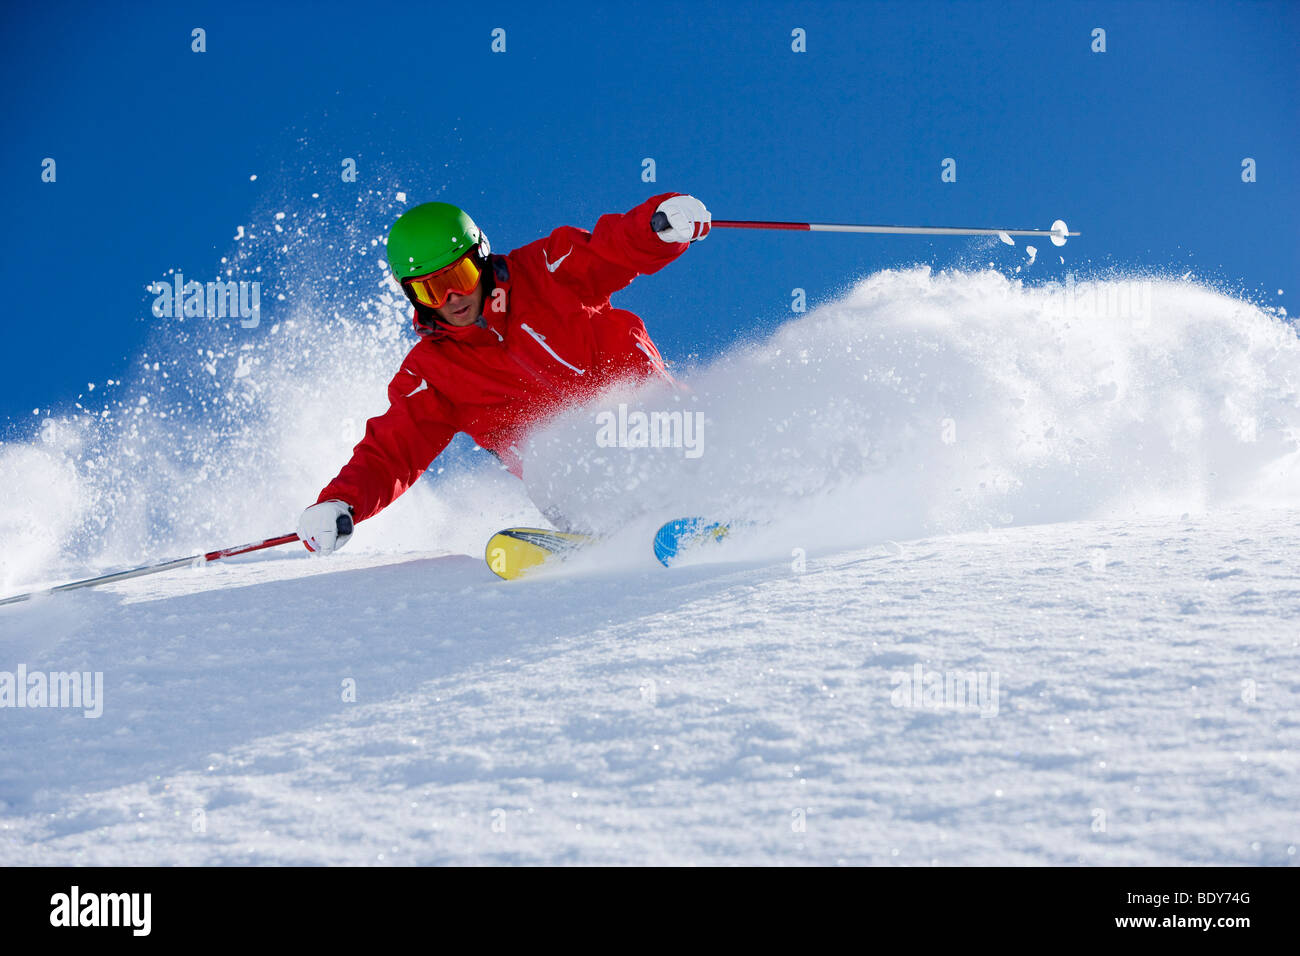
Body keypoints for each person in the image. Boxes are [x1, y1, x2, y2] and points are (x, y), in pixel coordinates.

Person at [296, 192, 712, 554]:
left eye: (458, 277)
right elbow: (391, 451)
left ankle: (706, 487)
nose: (452, 298)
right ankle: (604, 531)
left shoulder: (547, 269)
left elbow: (610, 249)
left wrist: (657, 227)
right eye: (431, 290)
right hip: (577, 480)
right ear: (414, 295)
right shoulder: (432, 373)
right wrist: (342, 503)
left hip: (649, 422)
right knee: (548, 453)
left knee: (623, 349)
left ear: (480, 259)